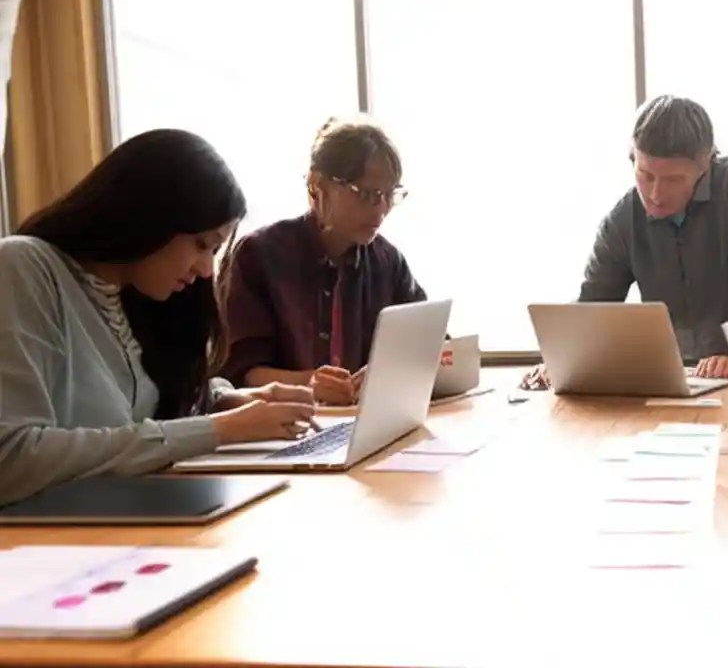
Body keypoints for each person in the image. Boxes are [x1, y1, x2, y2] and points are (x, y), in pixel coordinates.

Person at [0, 129, 317, 505]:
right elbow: (12, 457)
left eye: (214, 251)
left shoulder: (135, 294)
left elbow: (136, 409)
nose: (204, 270)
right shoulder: (24, 267)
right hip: (44, 549)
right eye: (202, 245)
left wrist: (221, 400)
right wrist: (218, 429)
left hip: (119, 523)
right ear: (150, 216)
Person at [522, 94, 728, 388]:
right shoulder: (623, 219)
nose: (656, 195)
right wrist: (561, 360)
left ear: (705, 166)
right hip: (675, 379)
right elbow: (594, 305)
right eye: (645, 175)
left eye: (673, 180)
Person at [218, 116, 427, 405]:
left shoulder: (387, 261)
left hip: (361, 423)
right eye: (368, 194)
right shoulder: (259, 255)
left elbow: (427, 344)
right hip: (281, 426)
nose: (381, 208)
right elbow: (237, 374)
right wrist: (310, 383)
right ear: (318, 185)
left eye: (389, 194)